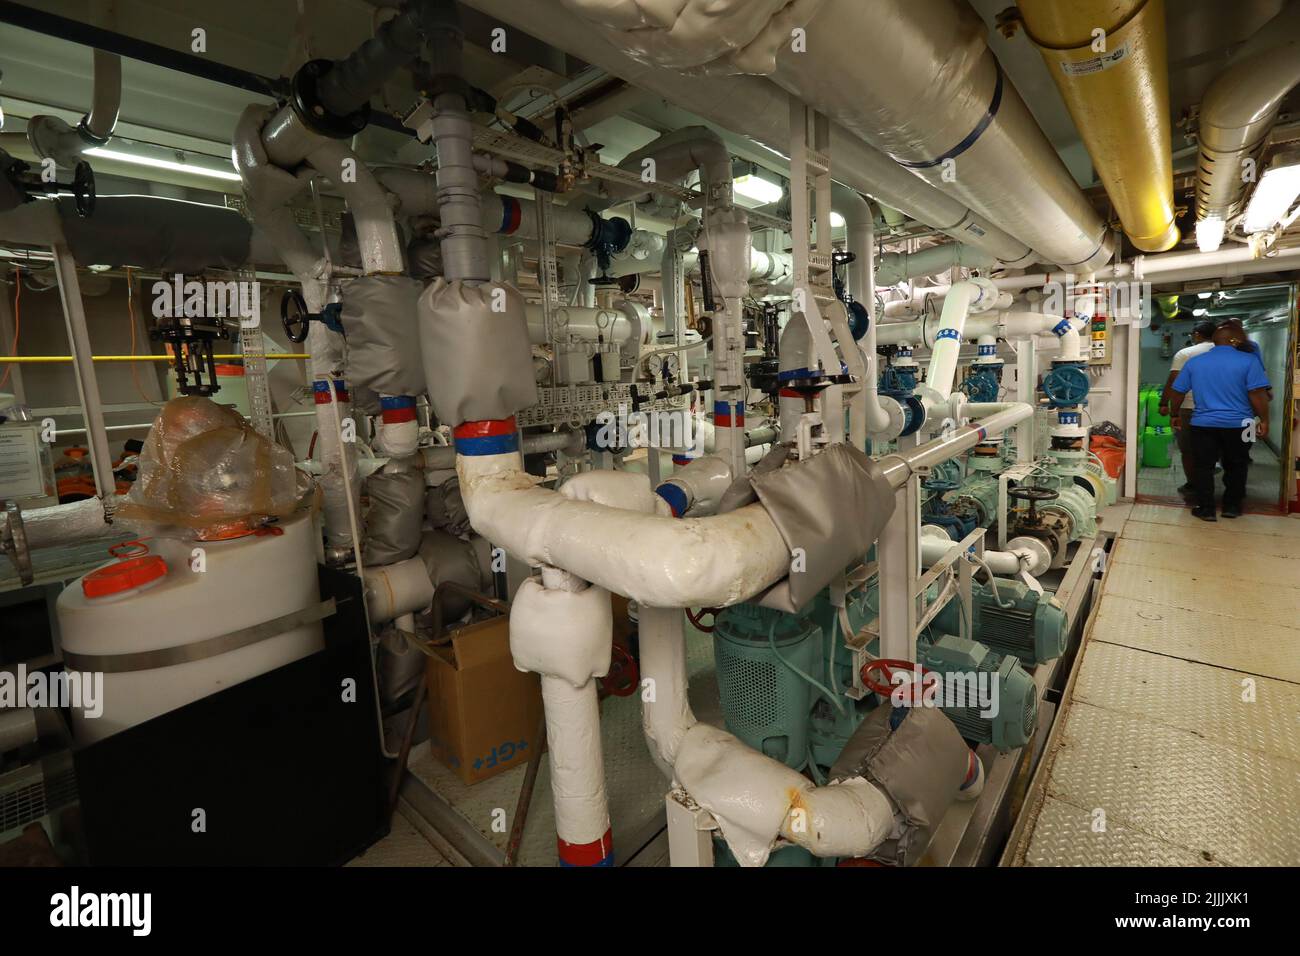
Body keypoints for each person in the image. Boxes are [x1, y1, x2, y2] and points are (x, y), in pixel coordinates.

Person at [1169, 323, 1271, 521]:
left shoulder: (1195, 362)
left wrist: (1174, 414)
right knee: (1238, 465)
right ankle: (1232, 507)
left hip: (1203, 423)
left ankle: (1206, 508)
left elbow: (1178, 391)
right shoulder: (1249, 361)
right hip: (1242, 425)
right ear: (1234, 340)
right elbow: (1257, 394)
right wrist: (1264, 419)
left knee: (1203, 466)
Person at [1159, 320, 1215, 495]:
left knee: (1189, 450)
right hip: (1221, 409)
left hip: (1190, 408)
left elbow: (1174, 382)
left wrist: (1165, 404)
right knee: (1212, 449)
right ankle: (1210, 483)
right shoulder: (1228, 353)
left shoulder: (1186, 353)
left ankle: (1193, 484)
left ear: (1197, 334)